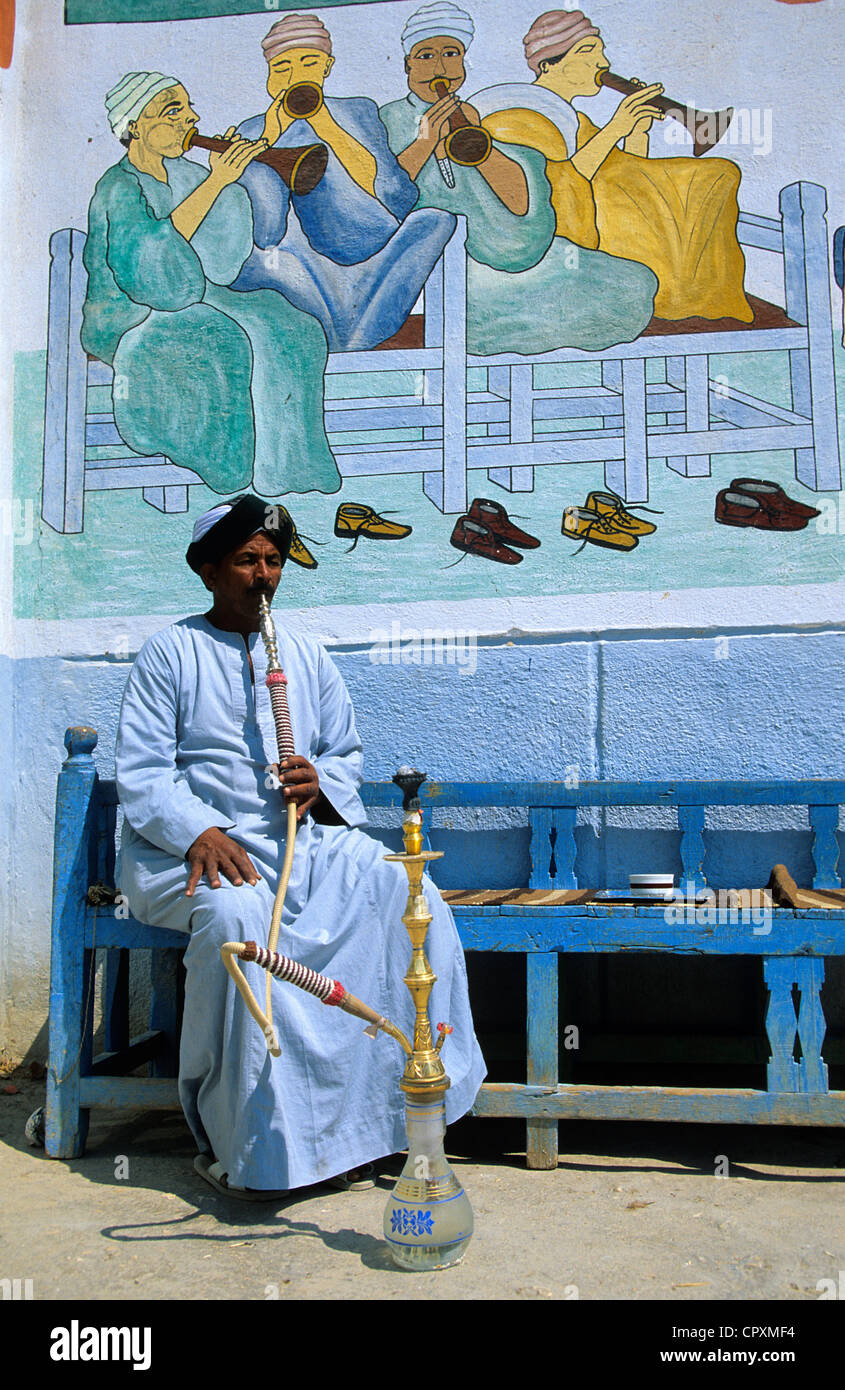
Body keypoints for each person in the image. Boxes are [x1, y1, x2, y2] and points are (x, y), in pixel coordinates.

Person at [114, 494, 486, 1194]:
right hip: (191, 852)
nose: (263, 575)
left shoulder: (307, 655)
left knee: (402, 887)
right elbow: (141, 773)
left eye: (273, 561)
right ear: (208, 571)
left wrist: (322, 781)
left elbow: (343, 753)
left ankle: (390, 1115)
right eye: (246, 561)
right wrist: (198, 829)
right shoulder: (171, 652)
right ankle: (251, 1145)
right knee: (236, 921)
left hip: (298, 845)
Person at [82, 72, 341, 498]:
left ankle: (290, 472)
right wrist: (215, 182)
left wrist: (226, 181)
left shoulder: (184, 173)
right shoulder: (118, 187)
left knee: (291, 323)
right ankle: (234, 476)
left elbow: (222, 262)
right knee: (222, 339)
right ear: (135, 127)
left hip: (195, 295)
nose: (192, 118)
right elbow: (152, 277)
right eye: (174, 111)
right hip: (135, 316)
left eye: (188, 106)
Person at [379, 2, 657, 354]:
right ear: (407, 66)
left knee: (633, 283)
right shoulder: (388, 118)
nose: (440, 66)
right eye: (425, 56)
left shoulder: (479, 115)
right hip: (453, 269)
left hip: (513, 253)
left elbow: (525, 205)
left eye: (451, 53)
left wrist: (481, 145)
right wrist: (424, 143)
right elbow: (383, 201)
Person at [471, 9, 754, 322]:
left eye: (601, 51)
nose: (603, 63)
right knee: (712, 175)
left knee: (715, 173)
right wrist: (615, 128)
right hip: (556, 251)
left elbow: (624, 179)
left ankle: (693, 292)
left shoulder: (573, 120)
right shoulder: (518, 115)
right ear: (549, 63)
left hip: (608, 232)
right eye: (588, 52)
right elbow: (552, 188)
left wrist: (636, 133)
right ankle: (685, 294)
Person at [230, 13, 457, 351]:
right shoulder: (252, 131)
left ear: (327, 67)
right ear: (269, 77)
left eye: (308, 63)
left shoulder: (360, 112)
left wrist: (328, 128)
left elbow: (396, 198)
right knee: (268, 258)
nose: (295, 76)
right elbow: (266, 231)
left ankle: (351, 336)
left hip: (369, 254)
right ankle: (345, 338)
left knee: (438, 219)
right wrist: (268, 139)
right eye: (281, 68)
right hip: (300, 267)